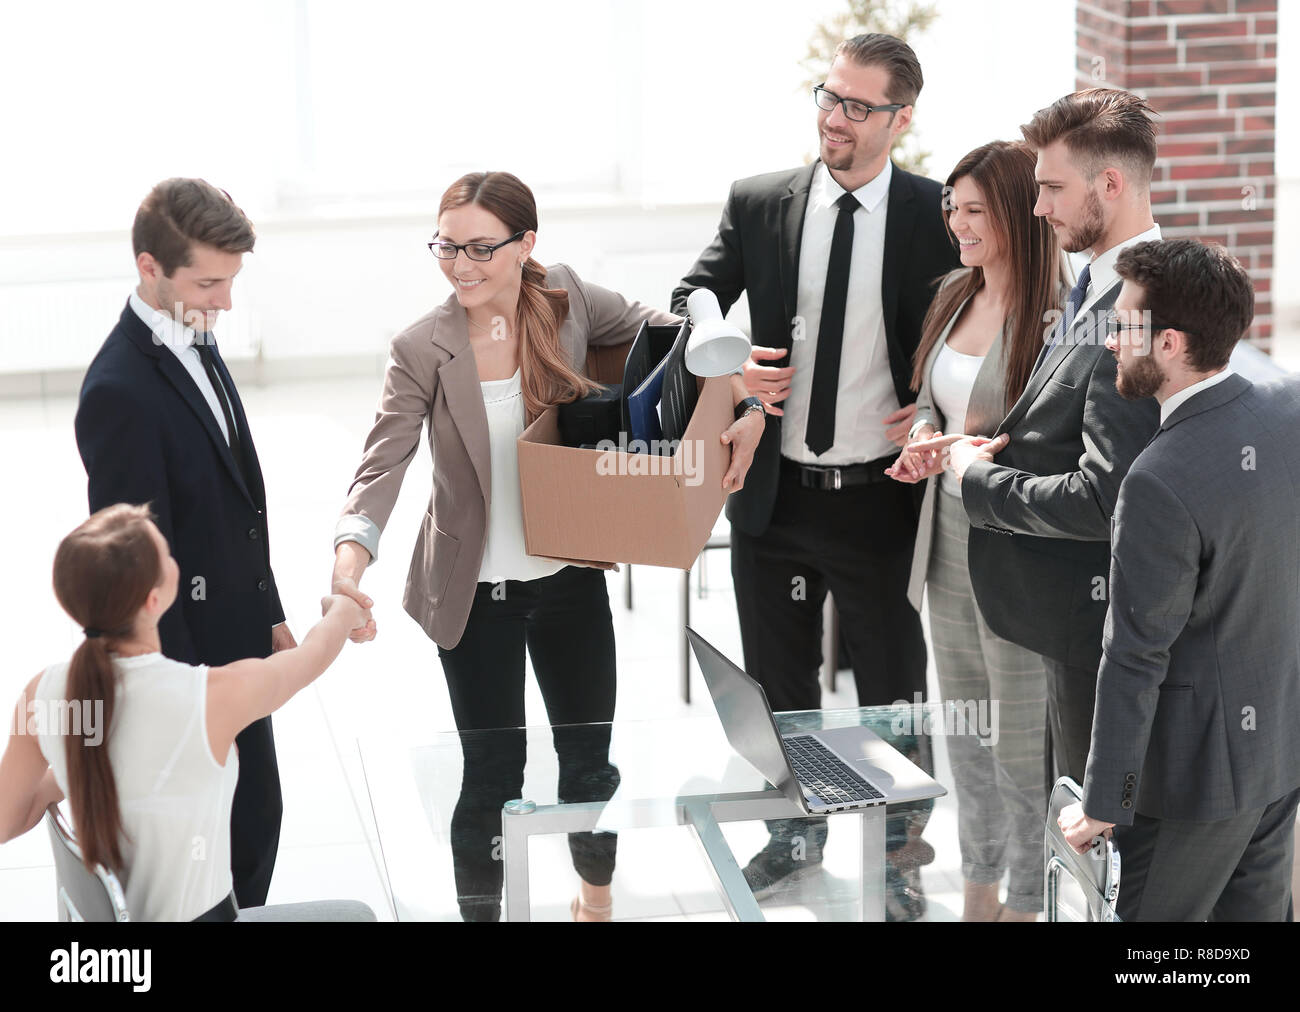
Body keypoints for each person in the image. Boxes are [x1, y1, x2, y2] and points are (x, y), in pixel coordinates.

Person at [330, 171, 764, 922]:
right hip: (476, 596)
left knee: (589, 766)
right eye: (445, 247)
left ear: (526, 243)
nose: (460, 265)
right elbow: (382, 463)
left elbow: (687, 344)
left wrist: (750, 405)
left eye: (479, 248)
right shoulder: (422, 347)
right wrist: (350, 557)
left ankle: (594, 905)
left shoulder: (564, 298)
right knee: (492, 772)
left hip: (568, 584)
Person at [671, 32, 959, 911]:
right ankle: (793, 831)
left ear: (901, 119)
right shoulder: (760, 201)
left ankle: (899, 857)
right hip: (775, 492)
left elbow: (978, 326)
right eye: (829, 99)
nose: (835, 118)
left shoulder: (935, 210)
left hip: (878, 498)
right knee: (778, 686)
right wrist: (726, 363)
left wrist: (939, 406)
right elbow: (692, 294)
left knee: (891, 692)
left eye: (858, 107)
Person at [1060, 238, 1300, 921]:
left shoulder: (1159, 478)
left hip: (1191, 788)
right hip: (1277, 761)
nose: (1110, 343)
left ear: (1169, 344)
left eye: (1125, 327)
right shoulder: (1289, 413)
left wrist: (1107, 801)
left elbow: (1134, 657)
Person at [73, 178, 292, 907]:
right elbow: (134, 568)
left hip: (237, 633)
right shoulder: (119, 391)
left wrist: (269, 613)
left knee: (258, 817)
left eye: (231, 282)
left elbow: (235, 506)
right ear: (149, 267)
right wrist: (185, 690)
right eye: (209, 282)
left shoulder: (194, 331)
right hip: (192, 665)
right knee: (232, 832)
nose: (224, 301)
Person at [936, 89, 1162, 785]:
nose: (1038, 210)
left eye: (1053, 189)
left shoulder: (1140, 305)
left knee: (1095, 845)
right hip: (1061, 622)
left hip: (1094, 628)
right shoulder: (1094, 284)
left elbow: (1105, 499)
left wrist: (975, 478)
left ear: (1112, 184)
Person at [0, 505, 375, 921]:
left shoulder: (42, 694)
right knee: (358, 914)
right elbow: (311, 656)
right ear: (154, 598)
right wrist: (343, 609)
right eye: (167, 554)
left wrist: (77, 770)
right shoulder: (209, 697)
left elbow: (6, 820)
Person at [886, 140, 1064, 921]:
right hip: (948, 535)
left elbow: (1052, 439)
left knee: (1022, 743)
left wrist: (961, 450)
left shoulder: (1056, 314)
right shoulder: (955, 294)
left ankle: (1028, 899)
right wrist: (926, 436)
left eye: (975, 211)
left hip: (1017, 544)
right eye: (951, 209)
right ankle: (979, 888)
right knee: (967, 729)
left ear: (1022, 213)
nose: (958, 224)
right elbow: (935, 397)